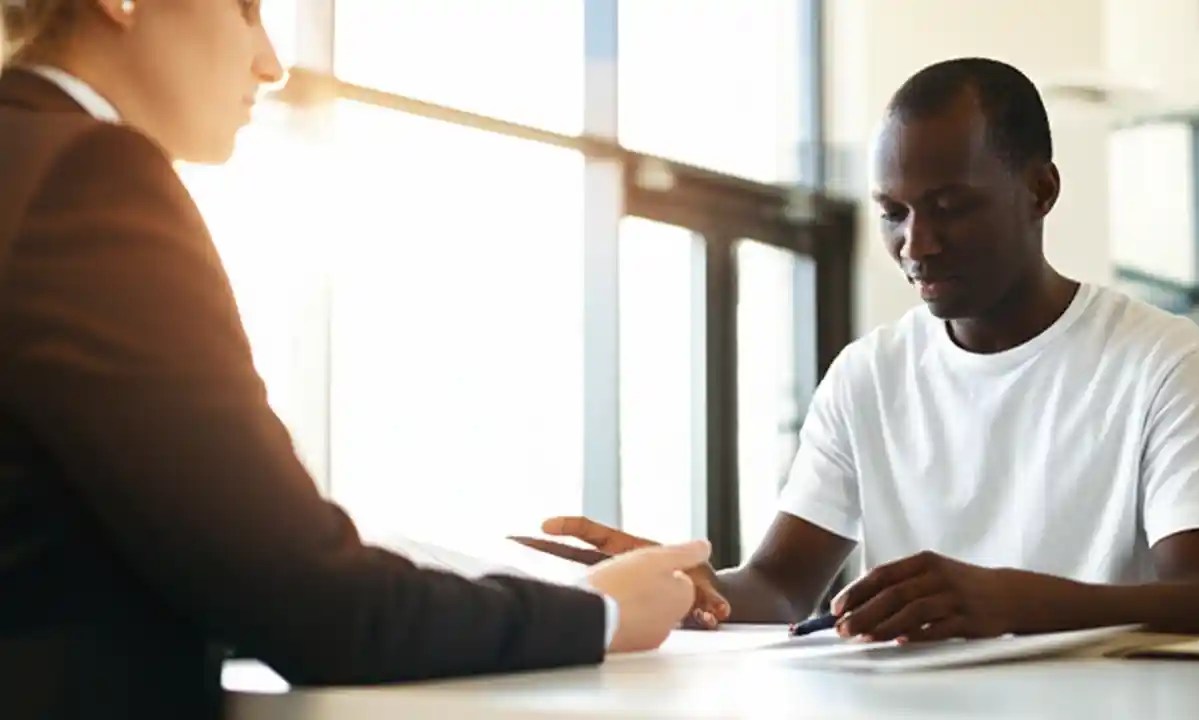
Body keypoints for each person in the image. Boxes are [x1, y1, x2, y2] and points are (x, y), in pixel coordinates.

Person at [0, 2, 705, 719]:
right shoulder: (86, 175)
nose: (270, 63)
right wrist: (598, 614)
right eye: (245, 9)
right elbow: (307, 601)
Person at [530, 57, 1199, 642]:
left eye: (950, 207)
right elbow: (782, 585)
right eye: (893, 213)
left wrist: (1006, 598)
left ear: (1039, 191)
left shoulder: (1164, 360)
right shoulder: (869, 374)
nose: (916, 244)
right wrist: (683, 583)